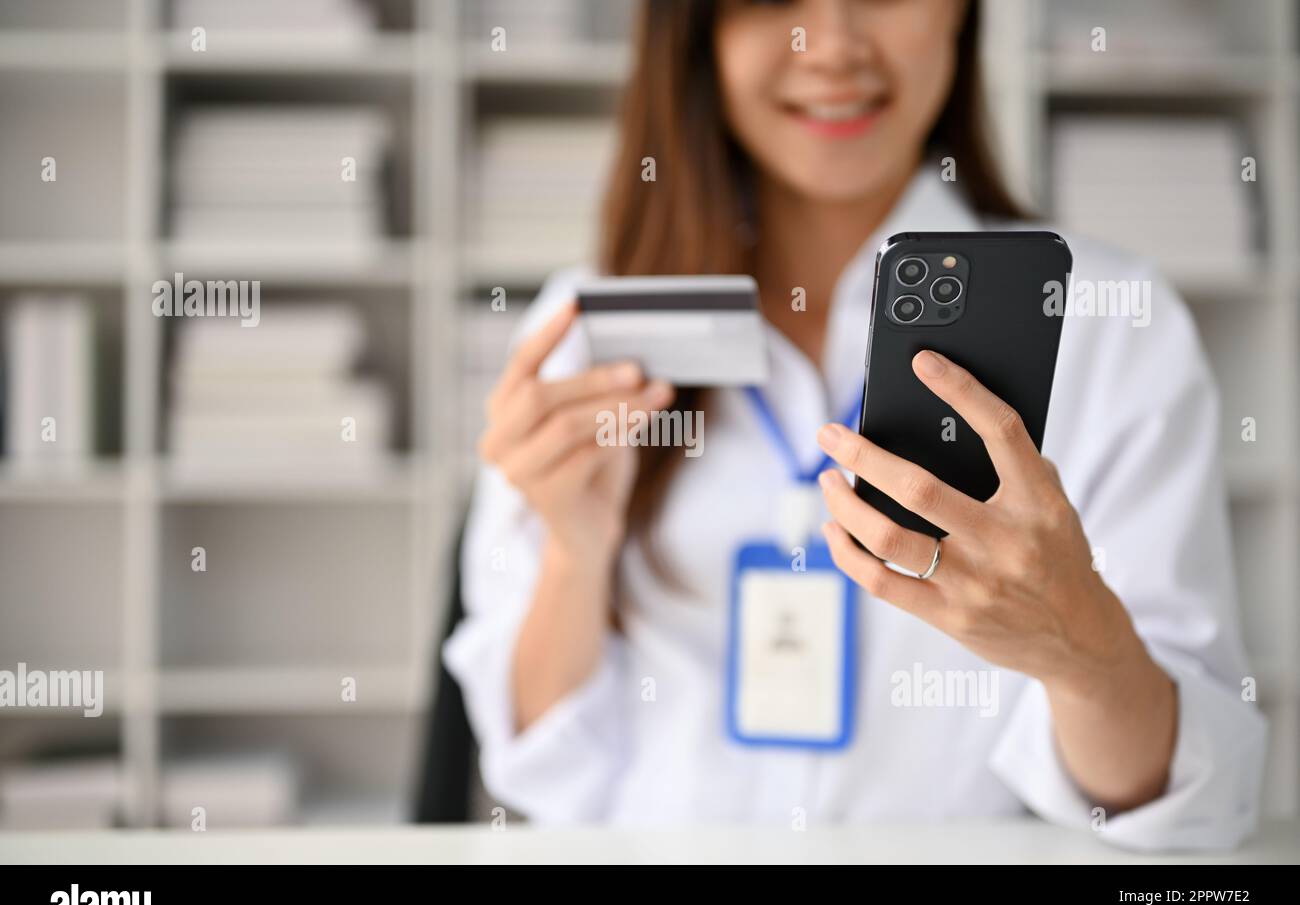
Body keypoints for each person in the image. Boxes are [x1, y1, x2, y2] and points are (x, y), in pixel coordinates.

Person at [444, 0, 1267, 850]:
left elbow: (1193, 807)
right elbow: (546, 779)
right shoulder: (587, 334)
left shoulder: (1108, 324)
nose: (832, 45)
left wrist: (1078, 647)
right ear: (695, 33)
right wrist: (576, 554)